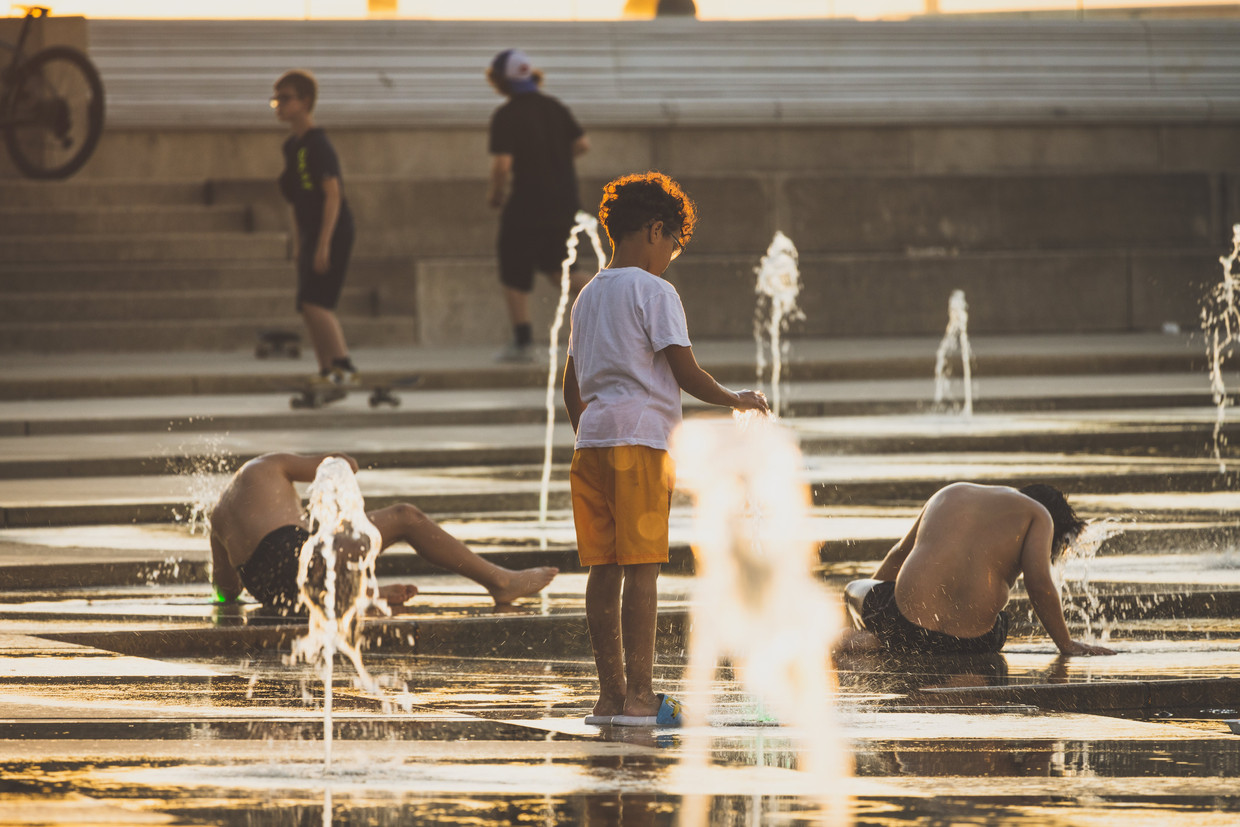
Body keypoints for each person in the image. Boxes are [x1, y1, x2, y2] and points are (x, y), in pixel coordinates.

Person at [563, 172, 770, 726]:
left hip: (592, 446)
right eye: (674, 244)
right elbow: (684, 372)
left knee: (603, 571)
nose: (671, 257)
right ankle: (640, 697)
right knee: (644, 568)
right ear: (655, 230)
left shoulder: (588, 295)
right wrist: (736, 398)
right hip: (642, 447)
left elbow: (571, 388)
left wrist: (596, 429)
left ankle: (609, 698)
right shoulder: (655, 291)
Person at [209, 452, 558, 614]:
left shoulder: (217, 515)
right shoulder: (267, 465)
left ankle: (363, 594)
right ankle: (502, 582)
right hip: (294, 555)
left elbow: (227, 592)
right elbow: (344, 464)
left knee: (318, 560)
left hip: (267, 588)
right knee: (405, 517)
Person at [842, 482, 1117, 657]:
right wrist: (1066, 644)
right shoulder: (1039, 515)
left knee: (854, 588)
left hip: (903, 623)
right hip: (973, 643)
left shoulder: (950, 492)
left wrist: (875, 612)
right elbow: (1040, 585)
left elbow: (897, 556)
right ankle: (889, 642)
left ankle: (878, 638)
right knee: (1000, 620)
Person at [486, 48, 591, 363]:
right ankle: (616, 312)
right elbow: (583, 144)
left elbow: (503, 164)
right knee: (562, 268)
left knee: (513, 270)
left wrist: (495, 194)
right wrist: (553, 160)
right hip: (563, 201)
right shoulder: (555, 108)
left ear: (500, 82)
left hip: (526, 205)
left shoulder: (506, 115)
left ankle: (523, 343)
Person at [271, 69, 360, 387]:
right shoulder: (291, 148)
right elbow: (296, 201)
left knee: (317, 302)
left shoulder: (318, 144)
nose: (279, 104)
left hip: (332, 230)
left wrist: (323, 244)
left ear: (306, 102)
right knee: (307, 305)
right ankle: (327, 371)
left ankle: (343, 366)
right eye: (275, 99)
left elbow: (333, 195)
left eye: (286, 98)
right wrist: (300, 244)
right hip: (310, 232)